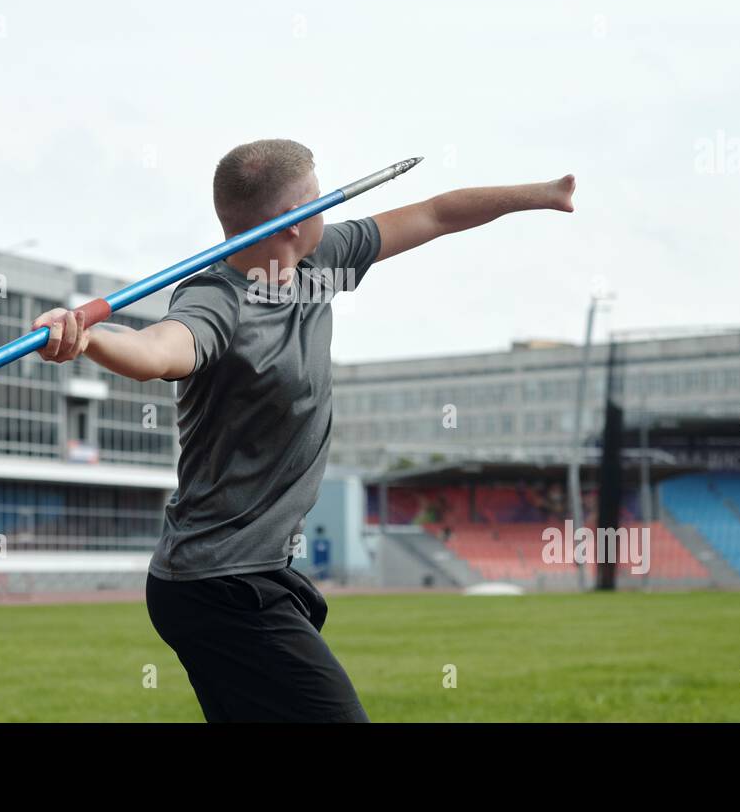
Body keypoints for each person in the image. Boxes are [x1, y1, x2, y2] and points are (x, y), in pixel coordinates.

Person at [32, 138, 575, 721]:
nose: (328, 209)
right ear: (290, 223)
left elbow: (437, 214)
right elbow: (158, 351)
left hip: (254, 571)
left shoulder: (323, 263)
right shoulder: (218, 301)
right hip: (218, 584)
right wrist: (87, 339)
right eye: (316, 198)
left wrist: (542, 195)